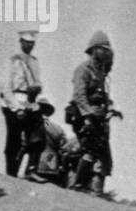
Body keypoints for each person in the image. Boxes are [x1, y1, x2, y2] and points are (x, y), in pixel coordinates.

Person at [70, 30, 119, 196]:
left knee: (102, 154)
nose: (106, 52)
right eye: (102, 49)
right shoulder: (83, 70)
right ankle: (79, 185)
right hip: (85, 116)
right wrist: (88, 117)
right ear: (94, 50)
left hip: (99, 117)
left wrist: (111, 108)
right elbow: (79, 96)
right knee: (90, 151)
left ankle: (93, 190)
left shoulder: (101, 73)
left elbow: (104, 96)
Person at [0, 29, 45, 179]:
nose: (30, 45)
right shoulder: (13, 60)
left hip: (30, 101)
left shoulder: (34, 61)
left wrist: (37, 90)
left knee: (38, 134)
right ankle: (11, 173)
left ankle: (31, 170)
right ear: (21, 43)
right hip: (14, 101)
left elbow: (37, 82)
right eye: (27, 42)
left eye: (32, 43)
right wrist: (16, 108)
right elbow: (6, 87)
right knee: (14, 140)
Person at [33, 98, 78, 187]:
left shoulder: (42, 124)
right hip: (52, 164)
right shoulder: (55, 127)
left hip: (37, 165)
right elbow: (63, 145)